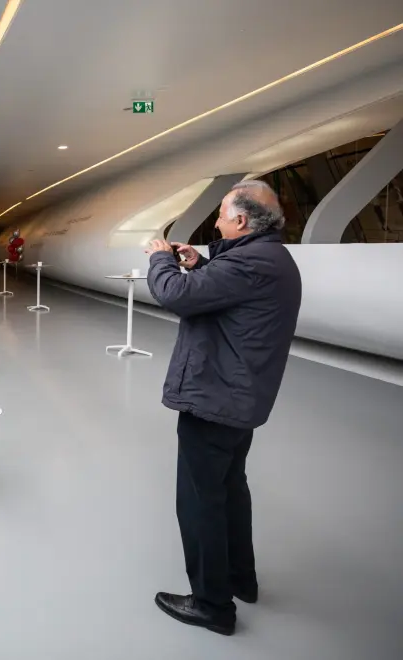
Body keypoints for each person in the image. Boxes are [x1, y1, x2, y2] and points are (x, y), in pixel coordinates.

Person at [144, 180, 302, 636]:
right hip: (239, 400)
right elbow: (229, 289)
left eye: (221, 215)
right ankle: (239, 579)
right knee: (231, 490)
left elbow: (176, 294)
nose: (215, 222)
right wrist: (202, 262)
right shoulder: (271, 258)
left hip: (214, 400)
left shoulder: (251, 262)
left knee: (199, 501)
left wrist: (160, 257)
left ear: (241, 221)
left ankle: (212, 604)